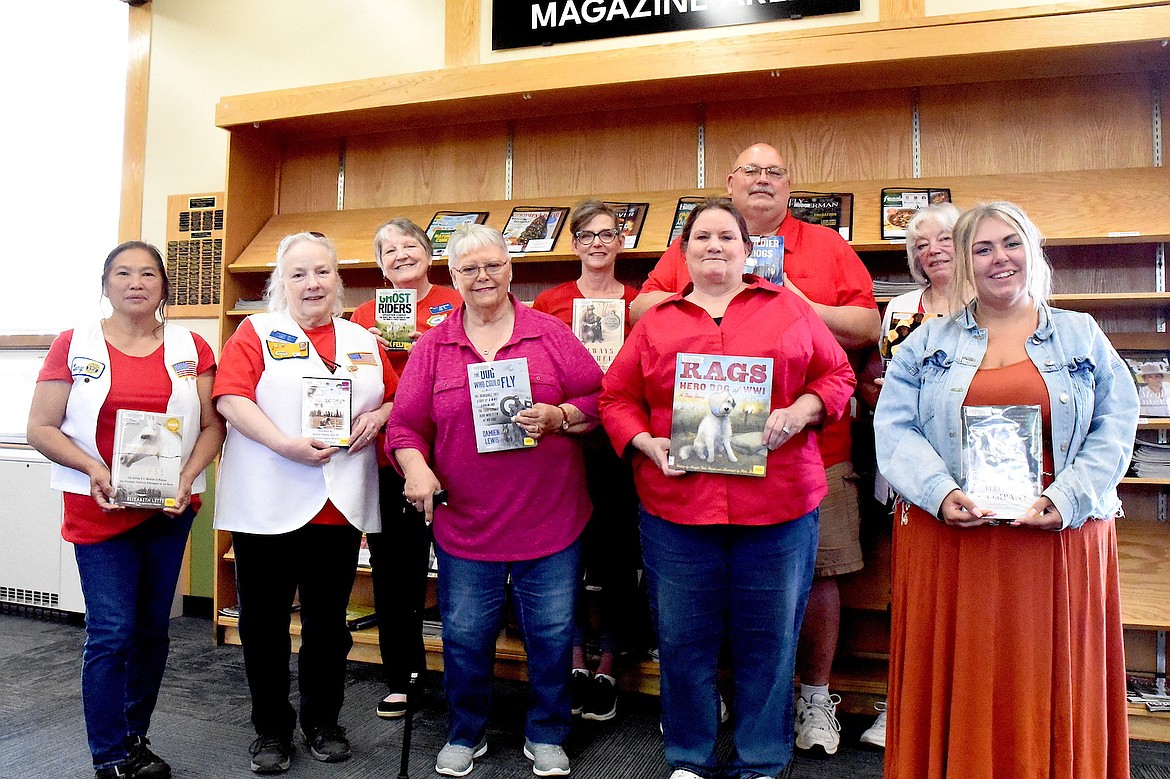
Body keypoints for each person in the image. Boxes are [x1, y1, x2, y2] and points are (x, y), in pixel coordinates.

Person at [631, 143, 879, 757]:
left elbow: (845, 362)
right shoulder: (664, 313)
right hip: (683, 496)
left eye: (727, 239)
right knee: (685, 631)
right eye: (703, 239)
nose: (715, 247)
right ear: (685, 252)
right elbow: (619, 388)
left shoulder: (798, 297)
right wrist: (644, 440)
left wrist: (801, 408)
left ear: (750, 250)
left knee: (779, 623)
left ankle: (771, 747)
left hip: (786, 487)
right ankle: (692, 744)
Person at [873, 202, 1137, 778]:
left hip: (1059, 539)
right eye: (983, 248)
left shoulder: (1081, 334)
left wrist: (1067, 498)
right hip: (951, 539)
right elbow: (893, 429)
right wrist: (939, 491)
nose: (1000, 259)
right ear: (964, 262)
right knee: (963, 678)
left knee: (1048, 680)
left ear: (1033, 250)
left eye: (1011, 243)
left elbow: (1116, 426)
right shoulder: (924, 342)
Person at [387, 223, 603, 778]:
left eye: (493, 265)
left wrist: (560, 416)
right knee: (464, 636)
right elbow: (405, 426)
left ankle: (548, 731)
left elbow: (597, 397)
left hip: (550, 520)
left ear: (510, 269)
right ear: (452, 276)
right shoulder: (434, 346)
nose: (483, 276)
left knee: (551, 635)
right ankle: (466, 731)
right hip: (466, 524)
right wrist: (416, 469)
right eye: (469, 268)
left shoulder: (549, 334)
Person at [27, 241, 225, 779]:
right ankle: (110, 756)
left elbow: (213, 426)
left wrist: (185, 478)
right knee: (112, 632)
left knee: (152, 631)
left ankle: (136, 735)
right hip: (99, 508)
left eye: (147, 274)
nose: (135, 283)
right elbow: (40, 427)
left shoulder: (192, 347)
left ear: (164, 286)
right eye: (122, 273)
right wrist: (93, 468)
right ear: (105, 284)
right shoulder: (74, 344)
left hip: (167, 510)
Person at [213, 232, 397, 774]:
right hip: (267, 500)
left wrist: (378, 417)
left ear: (338, 279)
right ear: (282, 283)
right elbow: (230, 398)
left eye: (322, 272)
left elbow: (393, 396)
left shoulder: (362, 338)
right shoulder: (255, 332)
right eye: (298, 274)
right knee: (263, 623)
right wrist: (283, 444)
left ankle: (323, 721)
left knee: (327, 624)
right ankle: (271, 729)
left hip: (338, 505)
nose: (312, 283)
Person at [859, 202, 966, 749]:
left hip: (978, 471)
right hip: (909, 472)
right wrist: (879, 393)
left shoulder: (995, 302)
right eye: (920, 244)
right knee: (911, 592)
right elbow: (876, 376)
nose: (933, 251)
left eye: (944, 238)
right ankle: (902, 706)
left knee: (971, 596)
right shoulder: (900, 308)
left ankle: (963, 709)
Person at [349, 218, 463, 719]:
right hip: (389, 458)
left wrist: (429, 352)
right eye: (388, 250)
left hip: (455, 455)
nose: (400, 255)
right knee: (396, 572)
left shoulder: (457, 302)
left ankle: (467, 679)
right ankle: (403, 677)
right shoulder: (363, 315)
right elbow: (350, 388)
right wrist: (365, 354)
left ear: (429, 252)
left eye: (409, 245)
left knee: (465, 572)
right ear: (380, 265)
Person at [533, 200, 642, 722]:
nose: (597, 243)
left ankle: (609, 664)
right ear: (574, 243)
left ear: (620, 241)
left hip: (619, 447)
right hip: (563, 445)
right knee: (563, 556)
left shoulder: (640, 303)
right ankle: (573, 659)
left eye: (607, 234)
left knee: (618, 558)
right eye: (587, 235)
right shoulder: (550, 302)